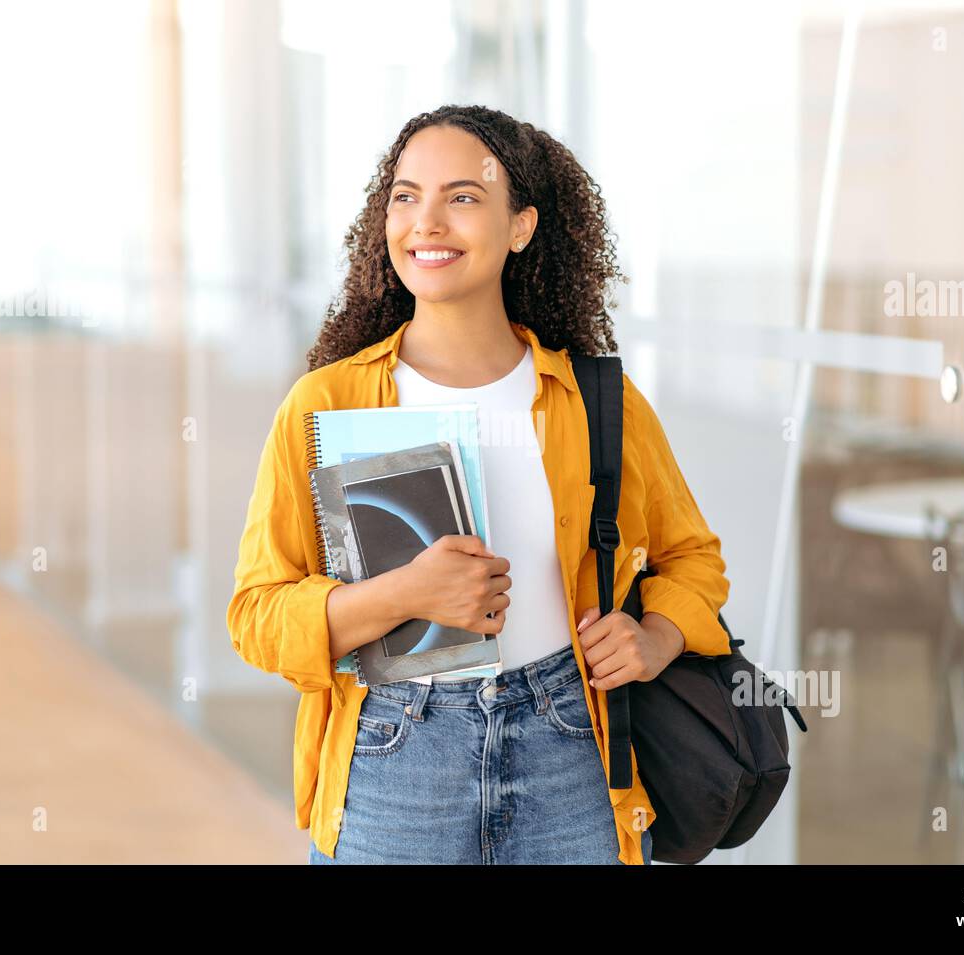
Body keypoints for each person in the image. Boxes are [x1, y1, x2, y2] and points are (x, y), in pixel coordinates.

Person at [227, 104, 732, 865]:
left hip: (571, 754)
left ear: (521, 227)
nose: (426, 222)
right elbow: (256, 614)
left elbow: (692, 557)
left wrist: (655, 637)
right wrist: (406, 594)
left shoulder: (597, 401)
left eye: (462, 196)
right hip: (395, 759)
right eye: (406, 196)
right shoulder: (327, 404)